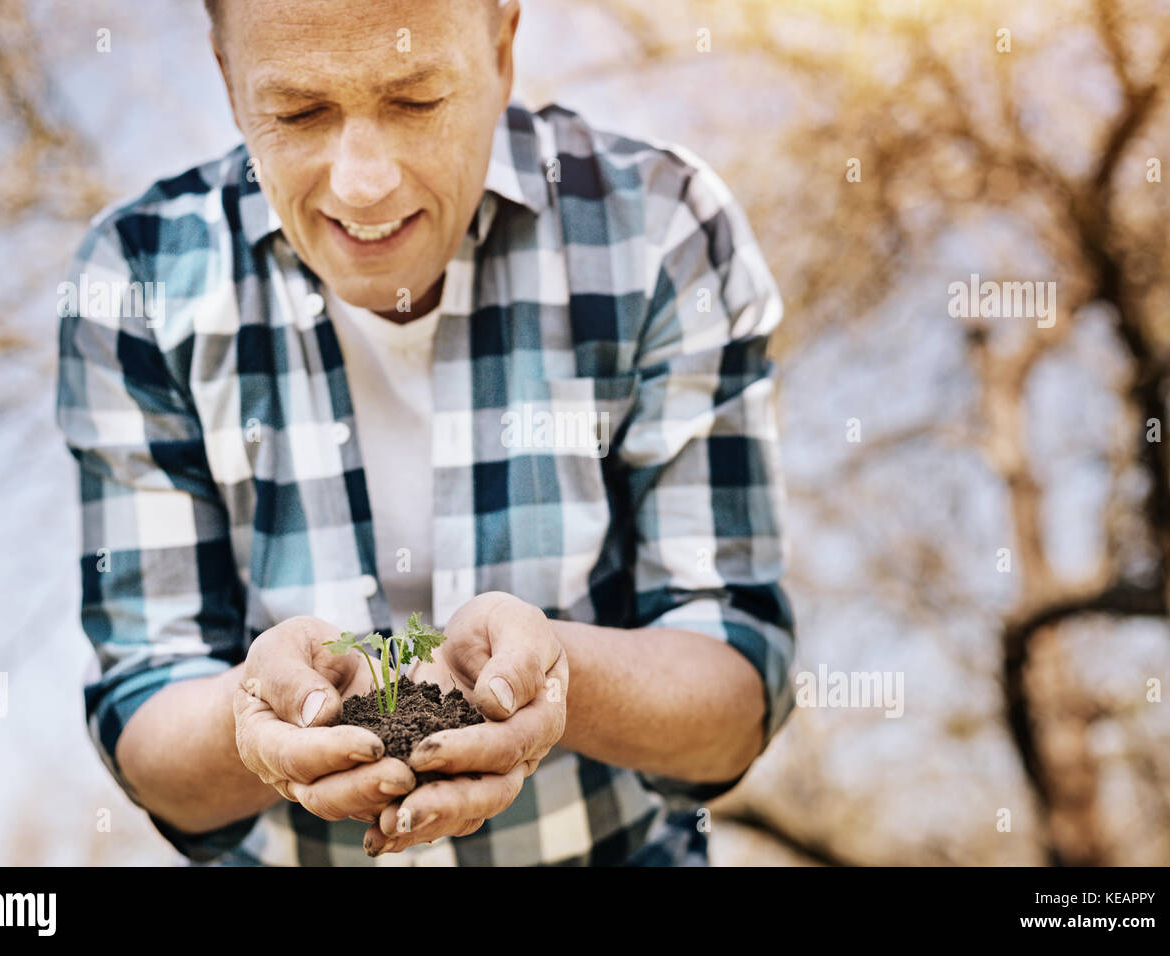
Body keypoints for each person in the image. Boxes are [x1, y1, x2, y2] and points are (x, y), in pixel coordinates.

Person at [55, 0, 797, 866]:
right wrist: (251, 717)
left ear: (502, 48)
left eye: (415, 101)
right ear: (226, 77)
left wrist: (558, 675)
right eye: (299, 112)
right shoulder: (137, 283)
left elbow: (733, 698)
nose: (363, 182)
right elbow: (148, 718)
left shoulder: (662, 229)